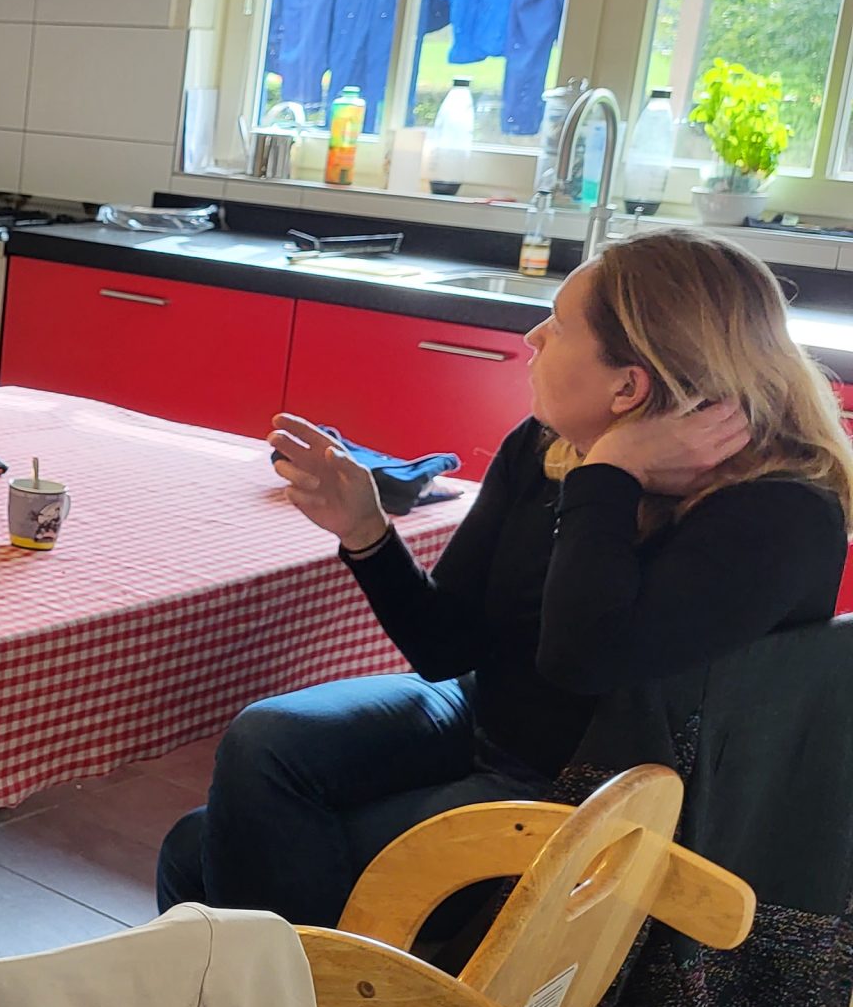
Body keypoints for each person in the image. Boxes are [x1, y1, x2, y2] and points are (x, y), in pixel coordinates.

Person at [158, 227, 852, 930]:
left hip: (597, 803)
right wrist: (366, 531)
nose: (532, 336)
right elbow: (447, 646)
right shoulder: (546, 449)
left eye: (558, 324)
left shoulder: (779, 514)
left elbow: (582, 658)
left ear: (628, 385)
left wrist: (607, 476)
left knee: (197, 851)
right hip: (488, 719)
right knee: (262, 739)